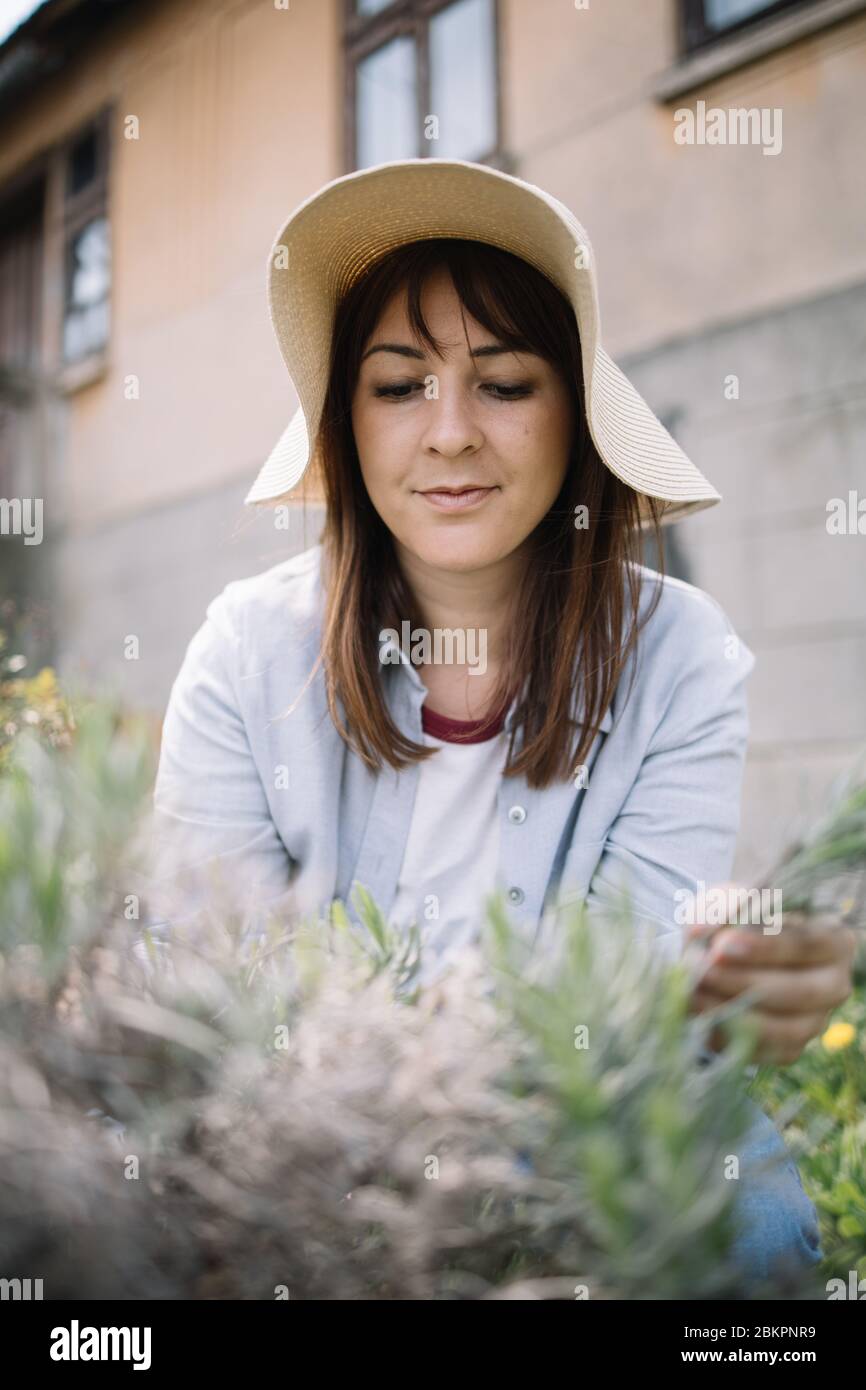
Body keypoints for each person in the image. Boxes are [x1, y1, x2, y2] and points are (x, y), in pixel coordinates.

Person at [147, 158, 854, 1292]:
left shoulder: (681, 653)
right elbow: (201, 973)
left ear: (573, 411)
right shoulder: (244, 648)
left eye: (506, 382)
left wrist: (729, 964)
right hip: (320, 1104)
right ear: (345, 421)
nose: (450, 433)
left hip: (588, 1097)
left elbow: (634, 998)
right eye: (396, 385)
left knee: (747, 1240)